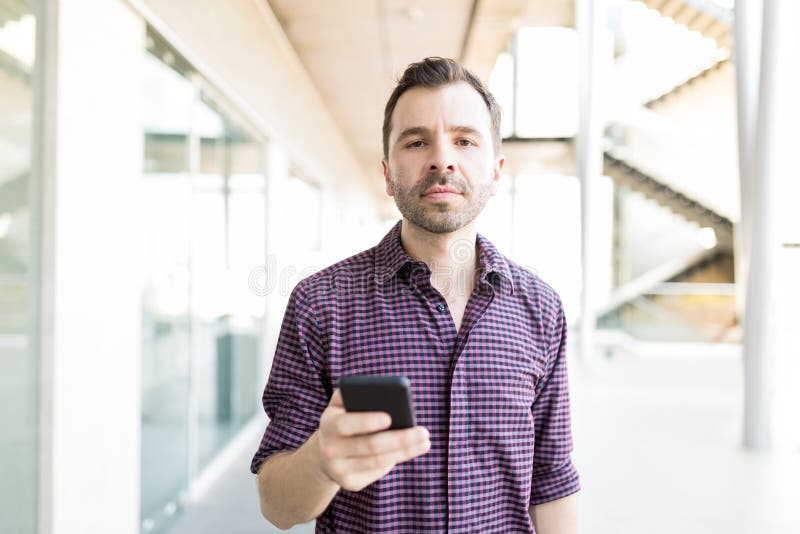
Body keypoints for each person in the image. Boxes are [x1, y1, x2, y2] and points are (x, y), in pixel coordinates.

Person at [251, 57, 580, 533]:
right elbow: (277, 507)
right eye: (417, 141)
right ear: (387, 174)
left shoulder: (541, 308)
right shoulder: (320, 305)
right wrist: (321, 462)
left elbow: (550, 482)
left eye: (465, 141)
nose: (442, 159)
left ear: (495, 170)